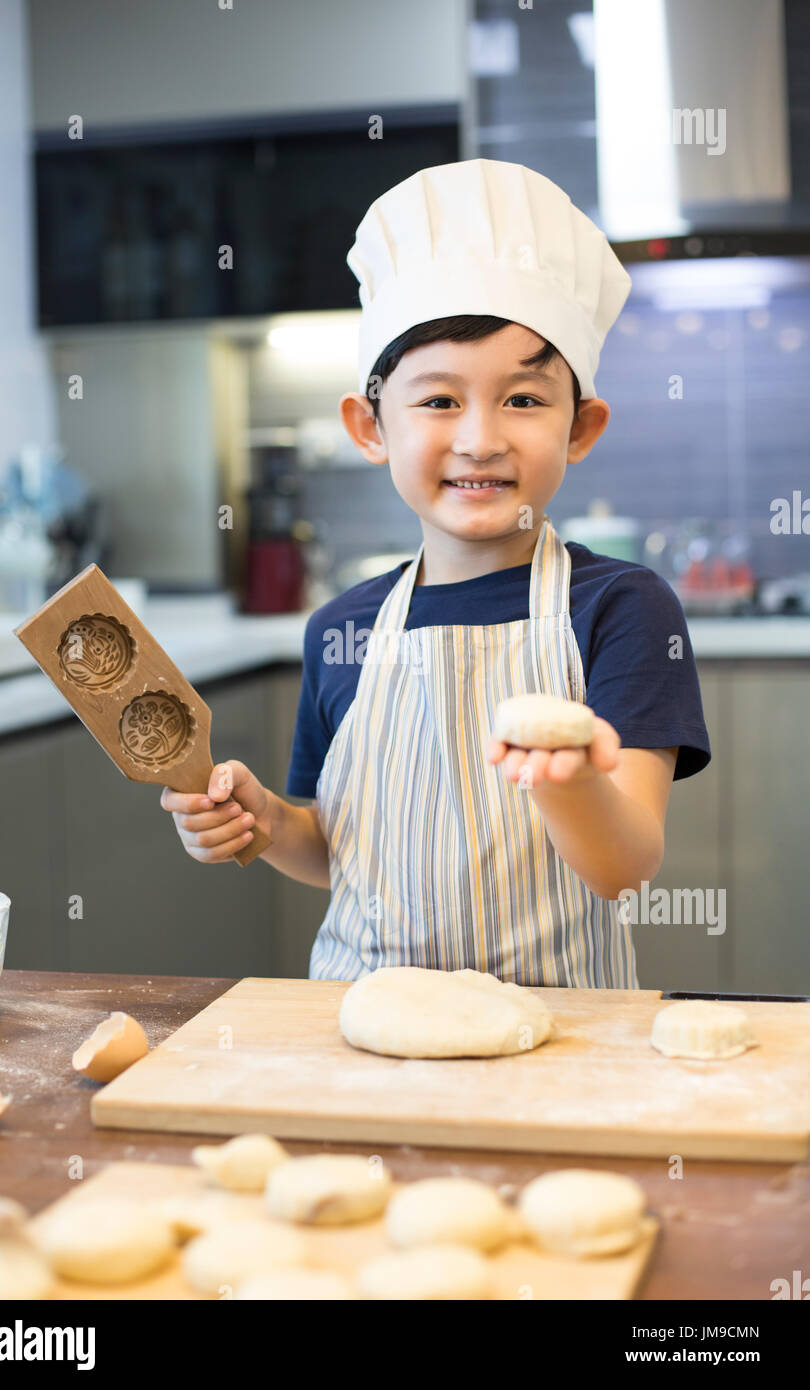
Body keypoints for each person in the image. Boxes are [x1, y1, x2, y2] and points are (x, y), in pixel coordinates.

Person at [162, 158, 710, 988]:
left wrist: (566, 784)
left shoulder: (622, 609)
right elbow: (337, 852)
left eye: (524, 400)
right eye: (438, 400)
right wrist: (269, 821)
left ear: (582, 426)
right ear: (370, 424)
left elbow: (624, 870)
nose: (481, 438)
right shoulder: (340, 627)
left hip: (562, 1051)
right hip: (361, 1040)